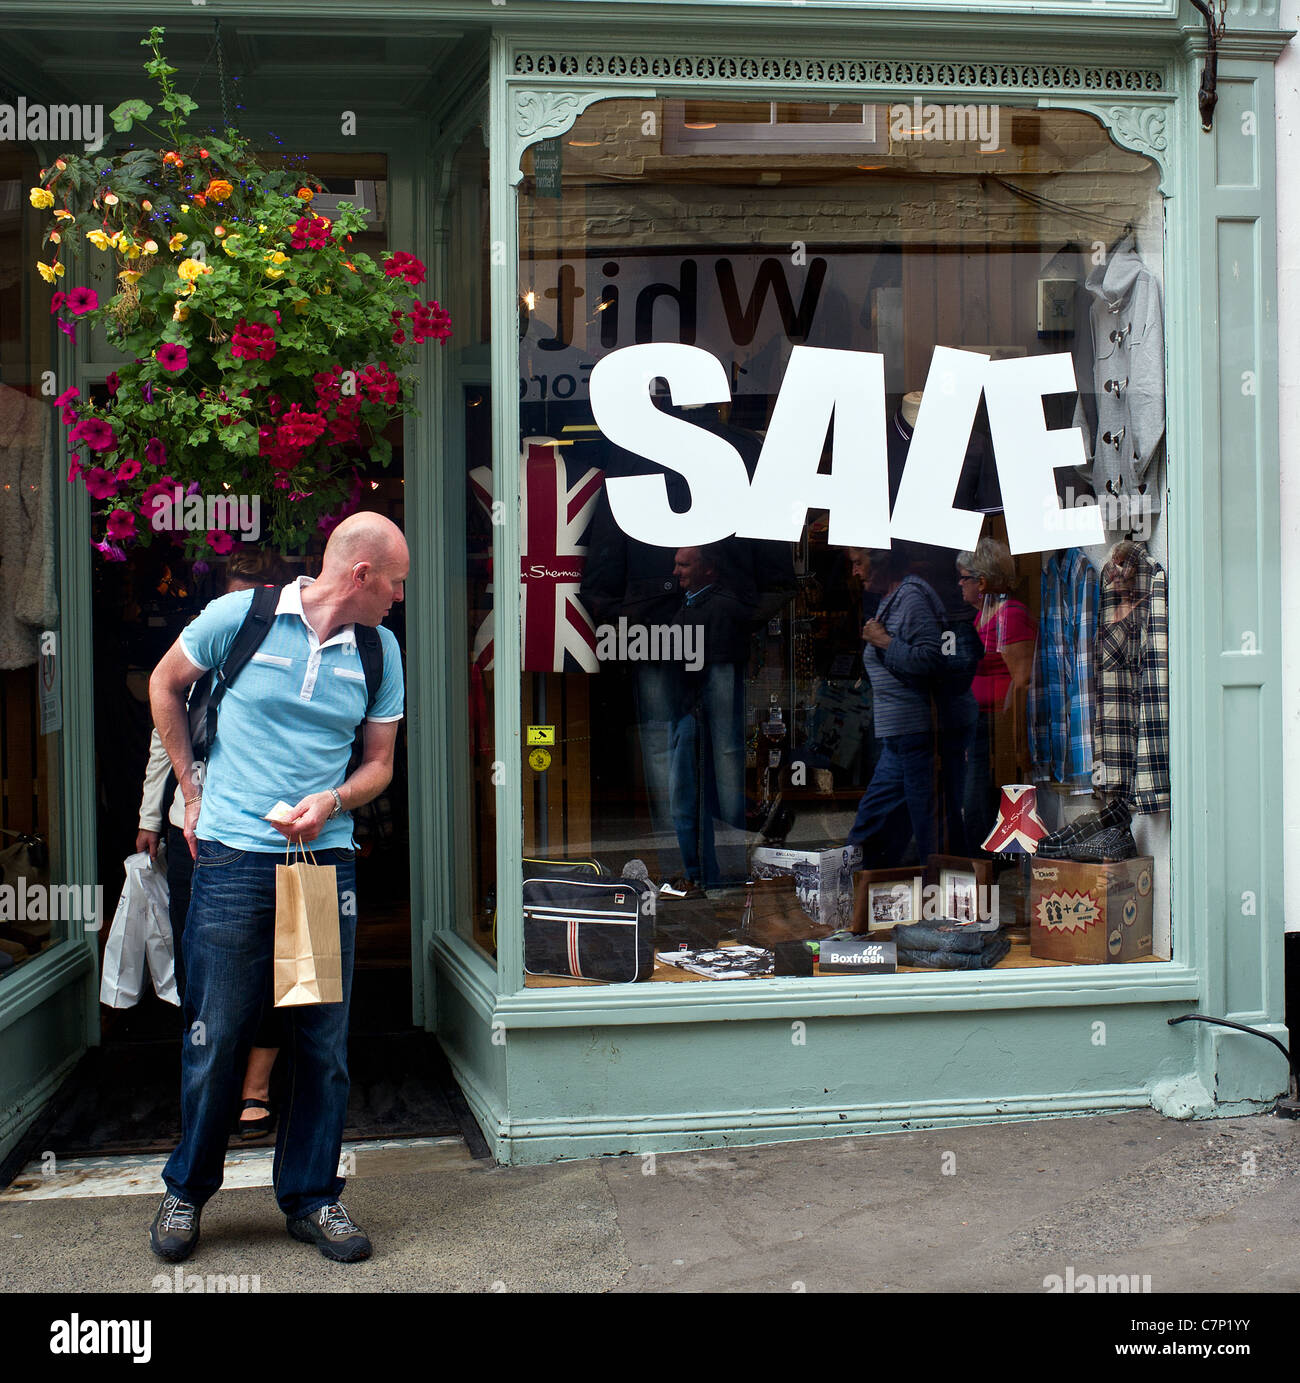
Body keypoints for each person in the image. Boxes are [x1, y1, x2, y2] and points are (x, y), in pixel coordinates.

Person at [146, 513, 407, 1265]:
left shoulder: (376, 646)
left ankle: (313, 1197)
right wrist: (191, 795)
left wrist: (333, 800)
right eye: (394, 581)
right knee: (217, 1032)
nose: (397, 596)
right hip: (232, 858)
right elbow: (165, 685)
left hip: (317, 870)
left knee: (317, 1042)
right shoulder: (243, 615)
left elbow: (379, 762)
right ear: (361, 575)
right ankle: (186, 1192)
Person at [136, 549, 293, 1137]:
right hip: (192, 821)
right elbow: (164, 729)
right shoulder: (197, 653)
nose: (236, 609)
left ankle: (256, 1085)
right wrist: (152, 815)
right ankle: (210, 1081)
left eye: (249, 599)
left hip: (269, 826)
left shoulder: (286, 653)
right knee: (200, 958)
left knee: (279, 959)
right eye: (228, 597)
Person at [844, 548, 945, 864]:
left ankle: (941, 891)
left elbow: (932, 660)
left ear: (880, 562)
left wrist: (884, 642)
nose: (855, 572)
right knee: (881, 819)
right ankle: (861, 884)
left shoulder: (912, 598)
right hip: (899, 735)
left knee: (922, 823)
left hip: (914, 731)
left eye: (859, 563)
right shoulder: (891, 598)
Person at [956, 536, 1038, 850]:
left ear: (983, 581)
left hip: (997, 729)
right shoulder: (983, 615)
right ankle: (983, 876)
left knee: (979, 806)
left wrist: (1016, 746)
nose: (958, 584)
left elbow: (1021, 682)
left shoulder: (1010, 614)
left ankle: (987, 878)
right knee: (976, 805)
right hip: (980, 727)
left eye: (963, 577)